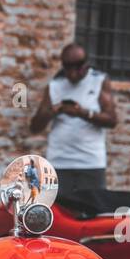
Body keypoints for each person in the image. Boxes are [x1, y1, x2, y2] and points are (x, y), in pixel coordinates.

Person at [30, 43, 117, 197]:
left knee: (93, 212)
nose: (72, 74)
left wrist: (82, 113)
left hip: (90, 163)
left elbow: (112, 120)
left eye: (77, 68)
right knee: (58, 214)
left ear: (86, 65)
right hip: (59, 162)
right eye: (67, 68)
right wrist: (53, 111)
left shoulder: (99, 81)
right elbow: (35, 127)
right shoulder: (55, 86)